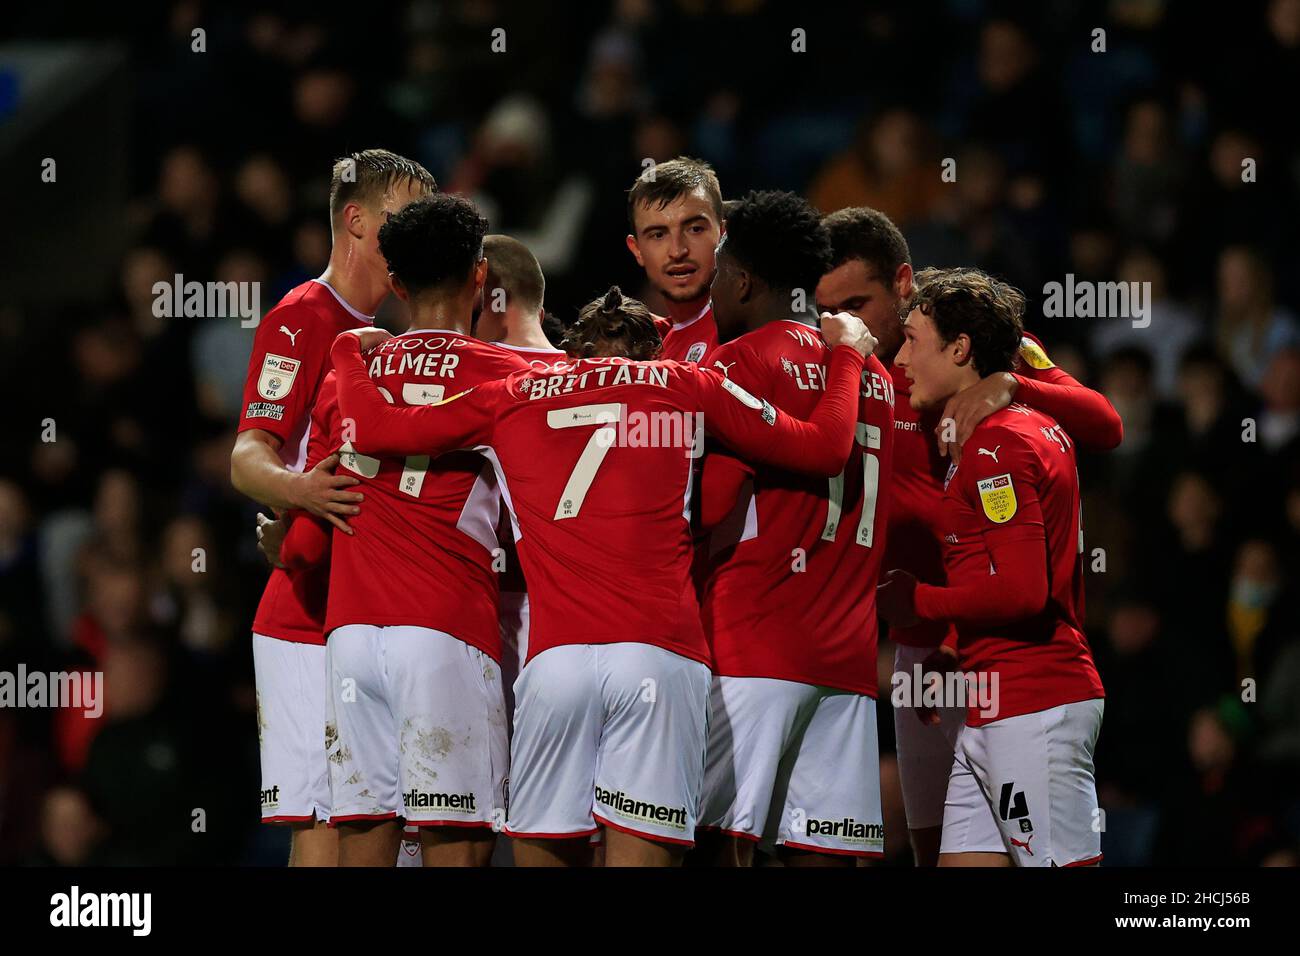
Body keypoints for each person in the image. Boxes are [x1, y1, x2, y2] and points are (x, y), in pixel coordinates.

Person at [330, 287, 878, 866]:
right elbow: (824, 447)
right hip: (659, 659)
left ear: (573, 355)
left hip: (556, 664)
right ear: (654, 352)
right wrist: (847, 354)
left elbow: (376, 427)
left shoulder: (511, 395)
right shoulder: (684, 383)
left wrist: (347, 351)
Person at [815, 206, 1122, 866]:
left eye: (858, 304)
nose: (847, 326)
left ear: (902, 284)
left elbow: (1106, 424)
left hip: (1007, 649)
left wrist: (1015, 383)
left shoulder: (975, 361)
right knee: (939, 850)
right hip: (935, 653)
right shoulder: (845, 370)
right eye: (829, 311)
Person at [230, 149, 435, 865]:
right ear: (355, 220)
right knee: (322, 831)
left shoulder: (395, 334)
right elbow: (248, 455)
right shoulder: (303, 316)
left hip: (359, 610)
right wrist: (301, 493)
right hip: (302, 615)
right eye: (402, 219)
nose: (417, 235)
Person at [693, 191, 895, 865]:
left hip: (754, 641)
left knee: (721, 840)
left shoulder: (739, 363)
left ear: (743, 281)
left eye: (719, 271)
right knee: (825, 853)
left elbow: (712, 503)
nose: (711, 286)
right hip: (846, 655)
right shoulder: (875, 378)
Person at [879, 267, 1106, 868]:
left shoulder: (995, 445)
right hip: (993, 699)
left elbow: (1023, 590)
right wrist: (955, 642)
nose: (900, 359)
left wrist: (919, 603)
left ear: (960, 349)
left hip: (1033, 703)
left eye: (912, 341)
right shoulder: (1028, 429)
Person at [625, 157, 725, 363]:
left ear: (723, 234)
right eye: (658, 235)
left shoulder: (751, 335)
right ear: (637, 251)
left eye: (695, 229)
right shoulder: (638, 352)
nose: (678, 251)